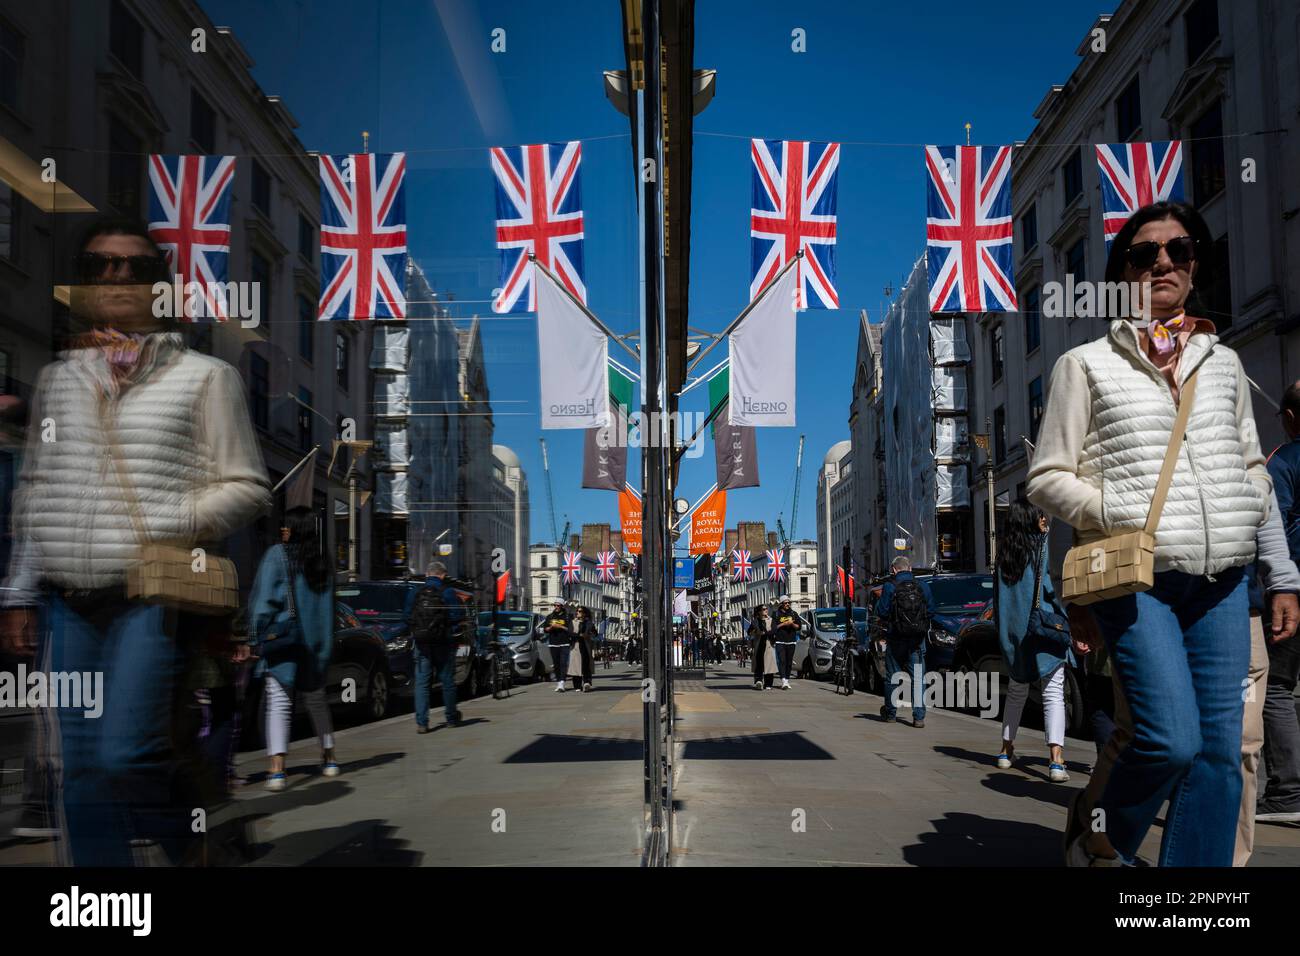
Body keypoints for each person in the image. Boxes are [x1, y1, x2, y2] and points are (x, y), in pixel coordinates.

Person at [0, 217, 271, 864]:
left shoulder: (205, 377)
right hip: (66, 599)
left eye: (136, 267)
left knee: (125, 749)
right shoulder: (62, 380)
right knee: (81, 769)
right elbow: (39, 488)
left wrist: (163, 520)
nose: (117, 276)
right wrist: (17, 589)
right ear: (82, 282)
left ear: (162, 288)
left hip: (151, 590)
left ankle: (196, 833)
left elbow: (248, 487)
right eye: (100, 265)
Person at [1028, 200, 1271, 867]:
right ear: (1122, 274)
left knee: (1222, 757)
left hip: (1223, 581)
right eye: (1144, 253)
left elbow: (1252, 464)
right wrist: (1122, 509)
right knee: (1167, 740)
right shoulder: (1085, 365)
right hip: (1138, 577)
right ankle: (1098, 834)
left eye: (1179, 249)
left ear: (1195, 264)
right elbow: (1047, 477)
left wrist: (1260, 536)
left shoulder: (1220, 363)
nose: (1163, 261)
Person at [249, 508, 337, 791]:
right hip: (316, 642)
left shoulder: (278, 555)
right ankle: (329, 758)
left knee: (279, 702)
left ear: (295, 529)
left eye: (286, 526)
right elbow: (330, 608)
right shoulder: (322, 562)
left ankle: (277, 770)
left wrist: (254, 635)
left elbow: (264, 601)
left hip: (285, 637)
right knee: (317, 701)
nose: (282, 531)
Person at [993, 499, 1074, 782]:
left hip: (1016, 636)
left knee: (1016, 694)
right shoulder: (1042, 548)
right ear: (1031, 518)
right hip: (1044, 630)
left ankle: (1005, 751)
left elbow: (999, 601)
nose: (1044, 519)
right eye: (1040, 515)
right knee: (1053, 694)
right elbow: (1053, 590)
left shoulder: (1004, 555)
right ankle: (1056, 760)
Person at [1256, 380, 1300, 824]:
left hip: (1293, 592)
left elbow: (1273, 528)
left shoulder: (1282, 463)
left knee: (1277, 690)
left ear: (1289, 418)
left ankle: (1288, 793)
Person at [877, 556, 932, 727]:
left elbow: (882, 611)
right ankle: (919, 717)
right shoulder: (922, 586)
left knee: (892, 677)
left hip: (895, 639)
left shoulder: (889, 586)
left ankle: (891, 713)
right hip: (916, 641)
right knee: (918, 679)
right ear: (910, 569)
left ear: (894, 569)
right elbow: (931, 610)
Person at [410, 561, 466, 728]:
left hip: (422, 644)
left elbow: (407, 616)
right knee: (447, 681)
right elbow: (457, 615)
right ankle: (451, 718)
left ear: (427, 574)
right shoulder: (448, 592)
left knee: (422, 683)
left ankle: (422, 723)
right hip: (443, 642)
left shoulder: (415, 592)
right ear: (443, 575)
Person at [542, 600, 573, 692]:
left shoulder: (567, 617)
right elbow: (545, 629)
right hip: (553, 643)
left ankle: (562, 682)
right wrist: (551, 627)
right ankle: (559, 682)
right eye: (554, 605)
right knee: (556, 664)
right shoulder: (550, 616)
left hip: (564, 642)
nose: (556, 607)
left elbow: (570, 630)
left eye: (558, 605)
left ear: (562, 606)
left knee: (563, 663)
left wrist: (560, 627)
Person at [771, 597, 801, 689]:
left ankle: (787, 680)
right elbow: (773, 628)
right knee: (782, 661)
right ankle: (783, 680)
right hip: (780, 641)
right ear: (781, 604)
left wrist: (792, 624)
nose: (788, 604)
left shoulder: (794, 614)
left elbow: (798, 627)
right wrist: (783, 624)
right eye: (785, 603)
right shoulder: (776, 614)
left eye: (789, 603)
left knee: (789, 662)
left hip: (791, 641)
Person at [748, 604, 777, 690]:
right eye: (764, 609)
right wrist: (754, 632)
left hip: (769, 645)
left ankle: (768, 684)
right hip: (758, 645)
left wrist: (765, 633)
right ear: (759, 612)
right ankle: (758, 681)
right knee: (759, 664)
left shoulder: (771, 620)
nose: (766, 610)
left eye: (766, 609)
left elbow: (774, 631)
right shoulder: (755, 621)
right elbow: (749, 631)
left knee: (769, 665)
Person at [573, 605, 596, 691]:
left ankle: (587, 682)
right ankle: (577, 685)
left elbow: (595, 634)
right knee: (576, 665)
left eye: (580, 611)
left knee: (585, 664)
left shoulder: (589, 623)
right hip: (575, 645)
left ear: (584, 613)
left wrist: (589, 635)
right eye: (577, 611)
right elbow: (570, 632)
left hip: (585, 645)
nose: (578, 613)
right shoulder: (574, 622)